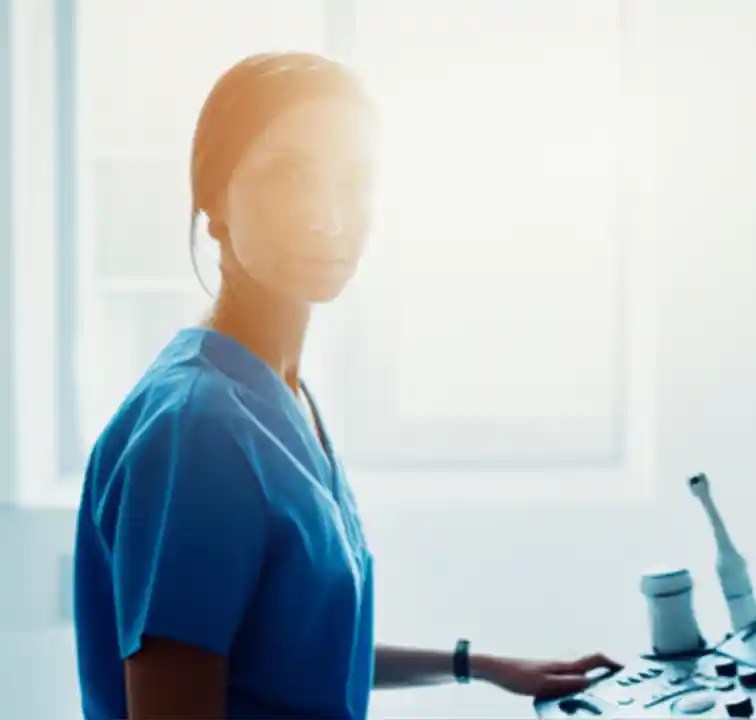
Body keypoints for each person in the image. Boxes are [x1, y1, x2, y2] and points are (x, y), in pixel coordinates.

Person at [72, 51, 620, 719]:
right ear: (213, 201)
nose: (329, 217)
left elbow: (292, 647)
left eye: (354, 180)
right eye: (288, 176)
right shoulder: (199, 430)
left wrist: (481, 667)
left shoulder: (283, 396)